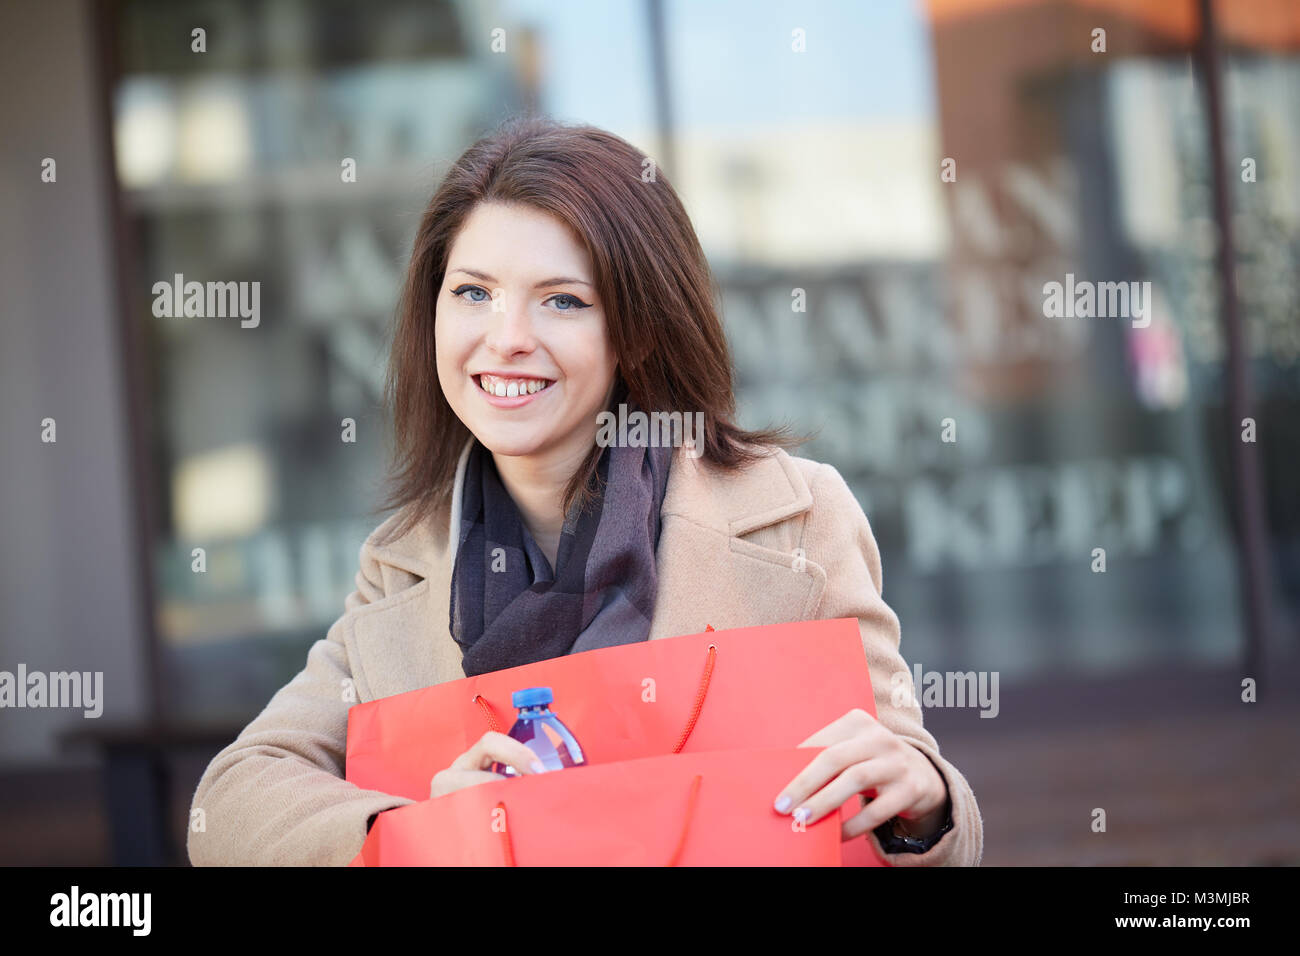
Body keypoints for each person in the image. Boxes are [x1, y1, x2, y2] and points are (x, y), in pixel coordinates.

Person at [187, 115, 983, 867]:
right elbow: (225, 808)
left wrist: (926, 801)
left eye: (562, 300)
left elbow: (908, 790)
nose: (507, 337)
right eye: (472, 292)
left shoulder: (797, 522)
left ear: (634, 329)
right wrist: (424, 832)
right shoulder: (403, 565)